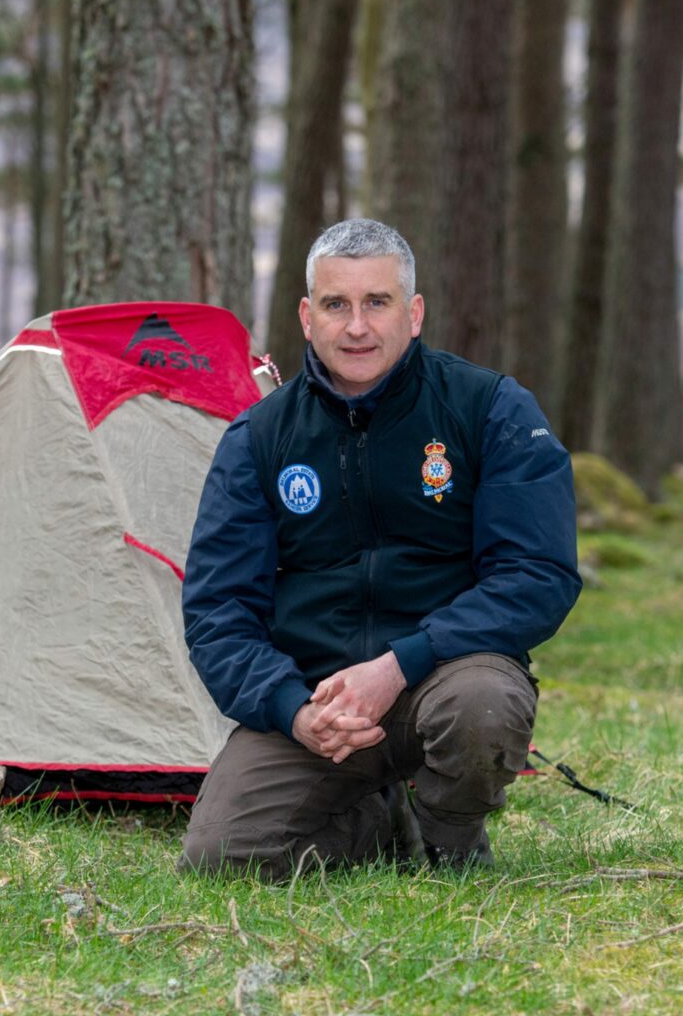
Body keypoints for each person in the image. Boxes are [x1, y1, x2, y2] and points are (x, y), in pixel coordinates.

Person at [178, 218, 581, 879]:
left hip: (448, 675)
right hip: (322, 703)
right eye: (336, 305)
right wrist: (292, 709)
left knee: (482, 705)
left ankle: (451, 838)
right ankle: (389, 828)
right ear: (307, 317)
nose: (357, 327)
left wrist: (399, 664)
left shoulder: (489, 409)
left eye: (377, 302)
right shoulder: (259, 437)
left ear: (413, 314)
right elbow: (217, 609)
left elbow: (539, 575)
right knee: (218, 857)